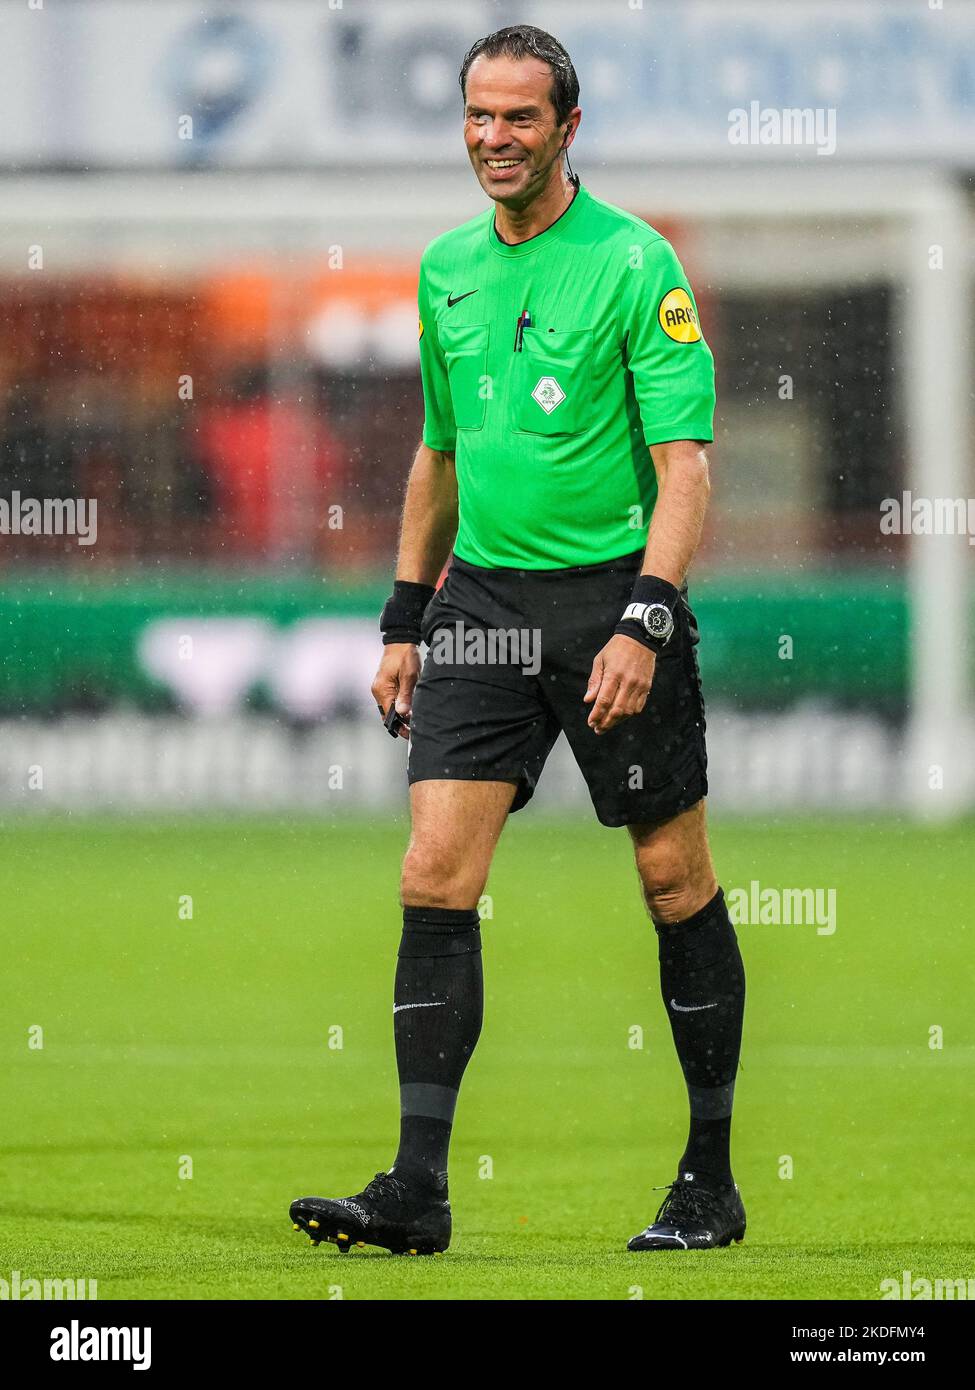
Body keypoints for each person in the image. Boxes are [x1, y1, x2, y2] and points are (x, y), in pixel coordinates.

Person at [290, 23, 745, 1257]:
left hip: (610, 599)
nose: (495, 139)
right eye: (479, 117)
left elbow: (685, 469)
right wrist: (403, 610)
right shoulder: (444, 268)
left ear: (568, 128)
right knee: (434, 876)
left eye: (520, 119)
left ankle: (708, 1178)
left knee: (672, 882)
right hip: (480, 605)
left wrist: (647, 618)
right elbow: (438, 452)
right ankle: (416, 1190)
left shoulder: (636, 263)